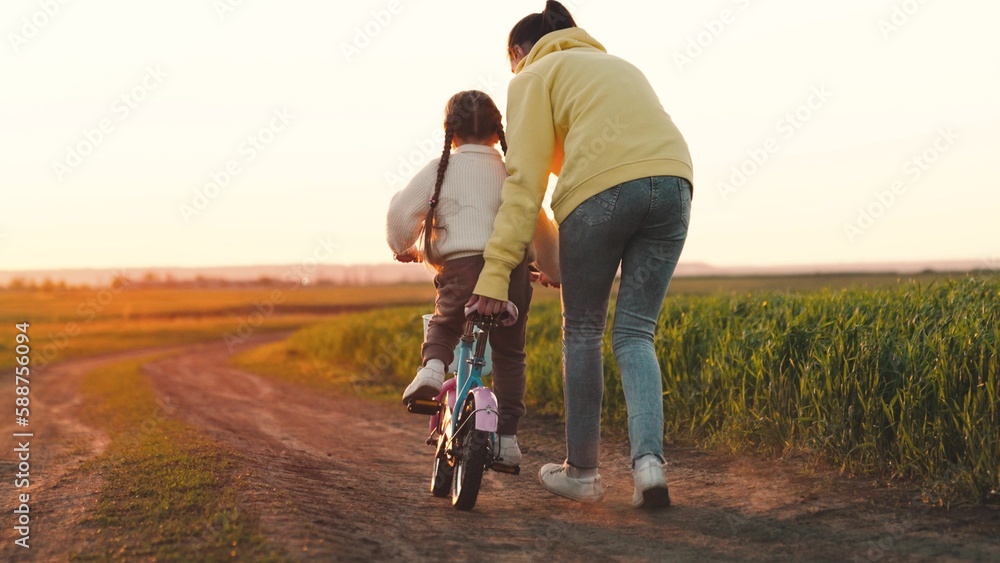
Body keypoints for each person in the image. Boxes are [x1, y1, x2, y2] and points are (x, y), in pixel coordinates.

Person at [467, 1, 693, 508]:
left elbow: (524, 185)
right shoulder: (618, 65)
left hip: (602, 194)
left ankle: (584, 473)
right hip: (675, 179)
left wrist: (496, 271)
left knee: (585, 330)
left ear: (518, 53)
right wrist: (557, 263)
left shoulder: (532, 75)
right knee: (636, 333)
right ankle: (650, 469)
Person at [386, 90, 560, 467]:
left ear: (451, 132)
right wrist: (552, 270)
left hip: (460, 269)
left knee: (448, 323)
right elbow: (540, 229)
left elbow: (401, 220)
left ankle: (432, 369)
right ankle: (509, 439)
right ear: (499, 134)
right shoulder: (514, 175)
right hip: (512, 273)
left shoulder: (441, 170)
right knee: (511, 354)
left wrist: (402, 245)